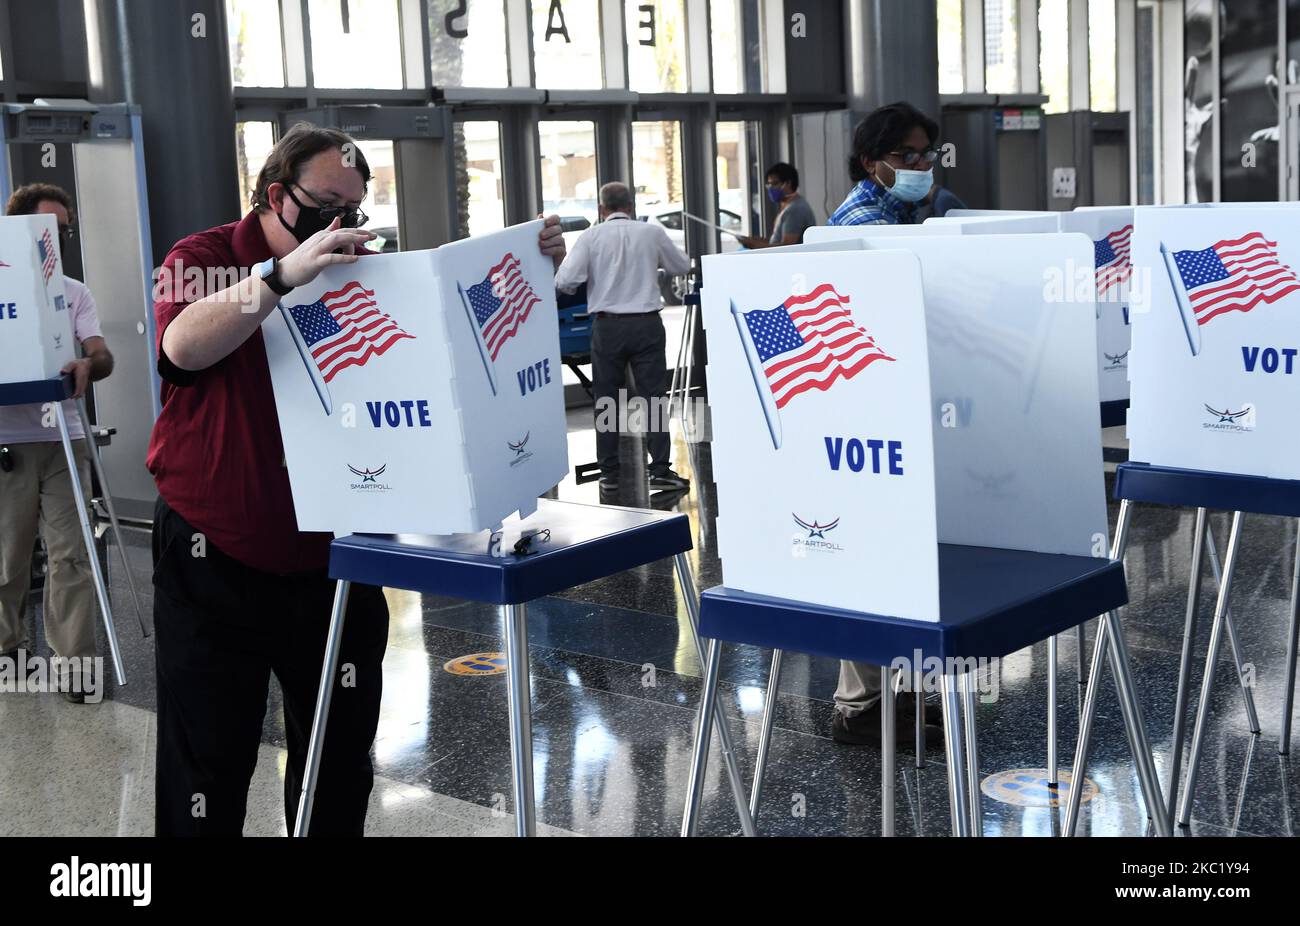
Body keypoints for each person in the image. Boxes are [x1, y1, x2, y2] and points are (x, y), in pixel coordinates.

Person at [147, 123, 566, 835]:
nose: (340, 223)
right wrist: (281, 279)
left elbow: (439, 358)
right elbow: (180, 349)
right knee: (206, 769)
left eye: (353, 208)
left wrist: (527, 270)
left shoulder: (358, 269)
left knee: (337, 766)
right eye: (325, 204)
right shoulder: (206, 257)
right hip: (213, 553)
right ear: (278, 196)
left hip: (333, 561)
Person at [827, 103, 947, 749]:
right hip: (866, 418)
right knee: (869, 556)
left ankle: (893, 696)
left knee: (892, 557)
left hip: (889, 411)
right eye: (907, 156)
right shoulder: (865, 223)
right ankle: (861, 705)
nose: (921, 166)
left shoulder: (900, 214)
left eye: (928, 154)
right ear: (873, 162)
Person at [0, 183, 115, 704]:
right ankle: (8, 655)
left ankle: (77, 668)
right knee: (8, 560)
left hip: (63, 437)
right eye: (50, 229)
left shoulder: (73, 292)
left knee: (72, 556)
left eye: (64, 230)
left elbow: (102, 353)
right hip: (7, 443)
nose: (59, 238)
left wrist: (89, 364)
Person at [554, 181, 692, 494]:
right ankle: (659, 471)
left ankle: (610, 473)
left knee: (607, 400)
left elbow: (566, 281)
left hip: (607, 327)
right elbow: (681, 265)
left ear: (601, 209)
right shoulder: (651, 233)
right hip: (646, 325)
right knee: (654, 398)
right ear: (631, 206)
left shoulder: (591, 236)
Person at [735, 162, 817, 248]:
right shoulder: (788, 206)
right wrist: (756, 240)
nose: (771, 188)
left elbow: (787, 247)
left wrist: (754, 245)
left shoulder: (795, 210)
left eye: (775, 183)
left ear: (788, 183)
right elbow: (776, 241)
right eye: (769, 184)